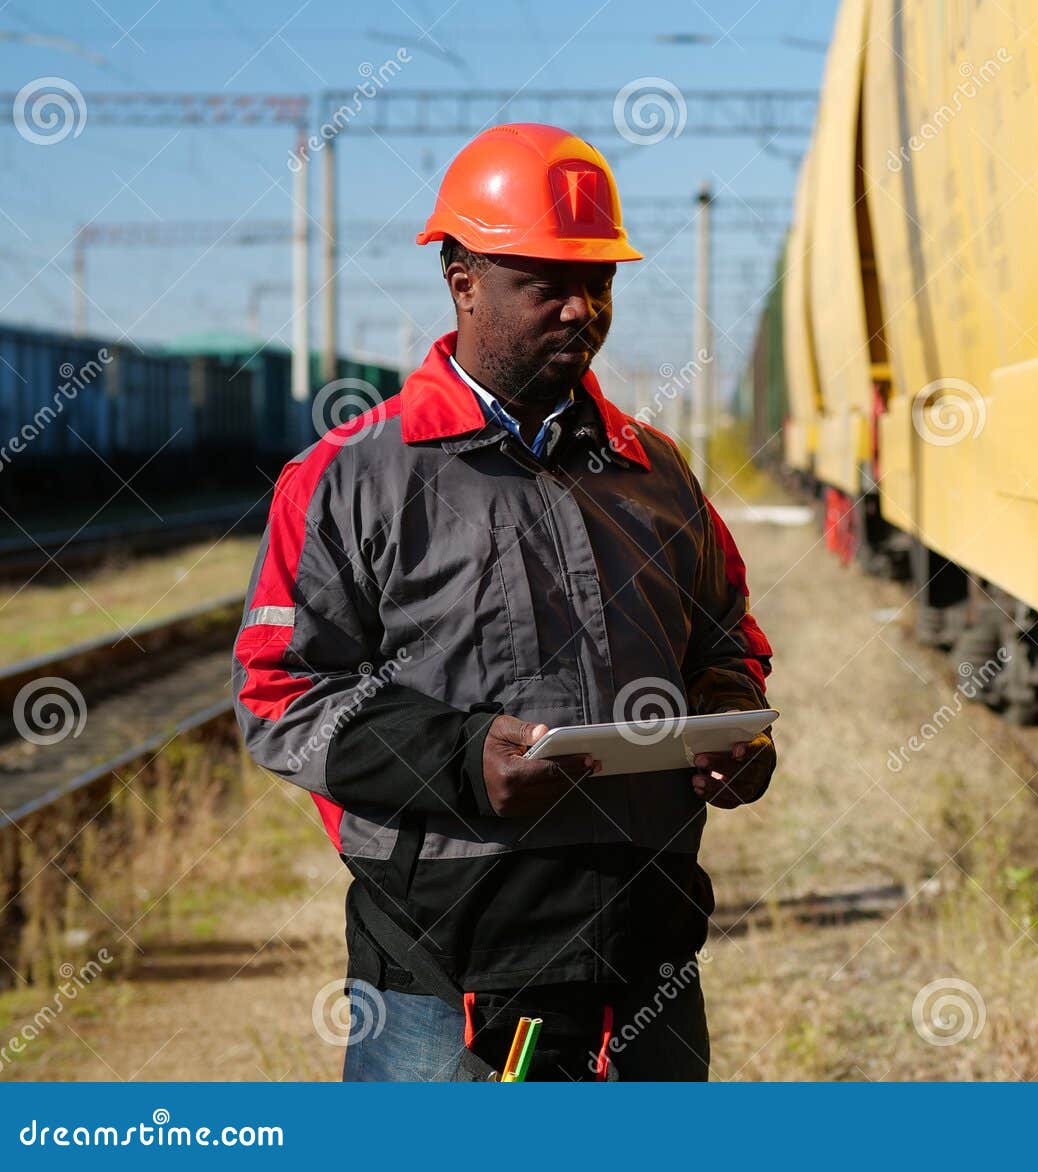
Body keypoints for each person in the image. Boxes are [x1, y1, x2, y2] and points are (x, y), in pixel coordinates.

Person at [230, 123, 775, 1081]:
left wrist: (731, 728)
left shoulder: (653, 472)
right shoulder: (348, 480)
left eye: (599, 281)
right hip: (445, 986)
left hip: (644, 960)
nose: (582, 309)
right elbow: (280, 699)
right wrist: (459, 760)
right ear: (462, 278)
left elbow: (727, 635)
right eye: (545, 284)